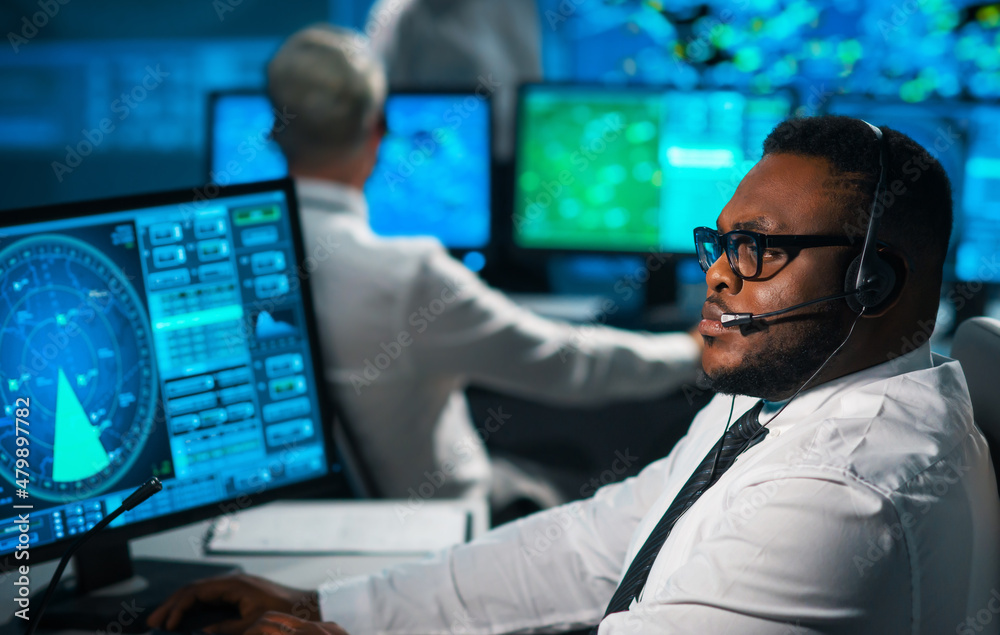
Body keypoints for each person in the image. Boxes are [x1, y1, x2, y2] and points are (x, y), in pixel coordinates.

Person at [148, 115, 1000, 633]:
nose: (717, 272)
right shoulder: (785, 398)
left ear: (872, 282)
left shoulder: (836, 492)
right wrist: (329, 606)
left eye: (759, 249)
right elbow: (596, 541)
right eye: (720, 242)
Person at [264, 24, 703, 506]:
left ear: (276, 133)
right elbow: (566, 365)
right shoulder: (408, 276)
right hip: (442, 526)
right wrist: (689, 352)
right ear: (378, 130)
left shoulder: (238, 265)